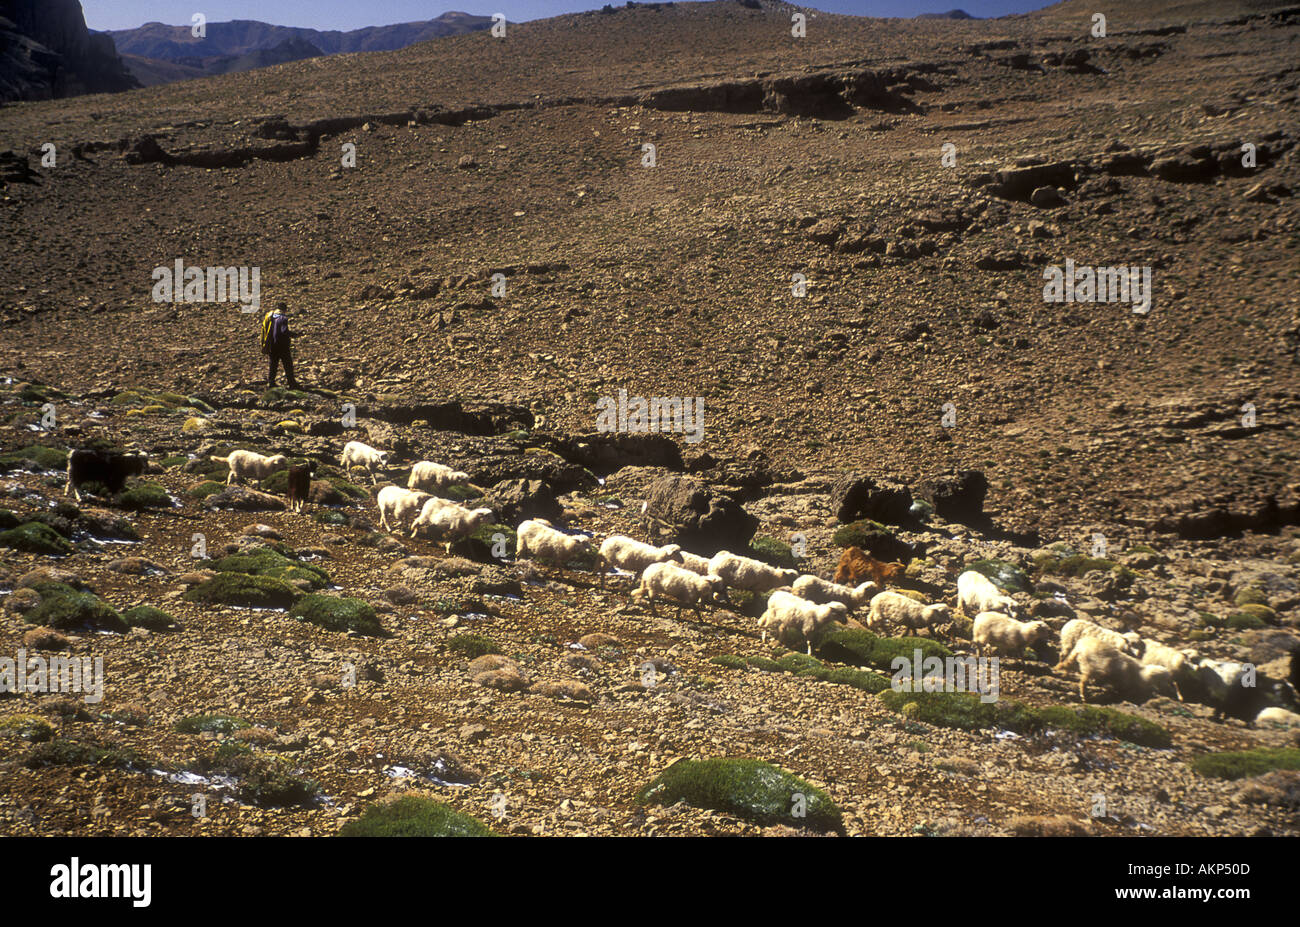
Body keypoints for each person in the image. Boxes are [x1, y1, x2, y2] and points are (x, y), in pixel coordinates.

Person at [262, 301, 299, 389]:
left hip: (271, 345)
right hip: (282, 346)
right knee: (288, 364)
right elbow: (284, 331)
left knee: (273, 364)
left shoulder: (270, 317)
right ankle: (292, 383)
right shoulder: (283, 318)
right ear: (285, 309)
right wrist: (294, 334)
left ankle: (271, 383)